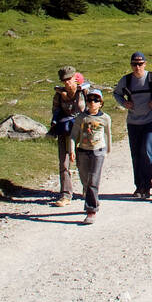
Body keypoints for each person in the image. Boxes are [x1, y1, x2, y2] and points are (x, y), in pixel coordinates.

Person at [112, 51, 152, 200]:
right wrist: (124, 103)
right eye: (134, 64)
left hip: (150, 120)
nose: (137, 67)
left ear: (145, 64)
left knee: (147, 152)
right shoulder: (126, 80)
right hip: (133, 122)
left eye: (140, 64)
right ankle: (139, 186)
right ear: (131, 65)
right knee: (136, 154)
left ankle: (147, 186)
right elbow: (116, 93)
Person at [72, 86, 112, 224]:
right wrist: (72, 150)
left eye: (96, 100)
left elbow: (108, 134)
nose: (92, 103)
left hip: (98, 151)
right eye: (90, 100)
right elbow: (73, 135)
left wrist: (107, 150)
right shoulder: (81, 118)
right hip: (83, 150)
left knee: (93, 180)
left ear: (101, 103)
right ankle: (91, 198)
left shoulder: (106, 118)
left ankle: (91, 210)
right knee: (85, 179)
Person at [49, 65, 87, 207]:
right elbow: (55, 111)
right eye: (64, 80)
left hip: (83, 132)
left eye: (69, 79)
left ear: (75, 78)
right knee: (64, 163)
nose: (67, 83)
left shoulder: (84, 91)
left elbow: (93, 109)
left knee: (82, 162)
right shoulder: (59, 94)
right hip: (65, 131)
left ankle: (87, 189)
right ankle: (65, 194)